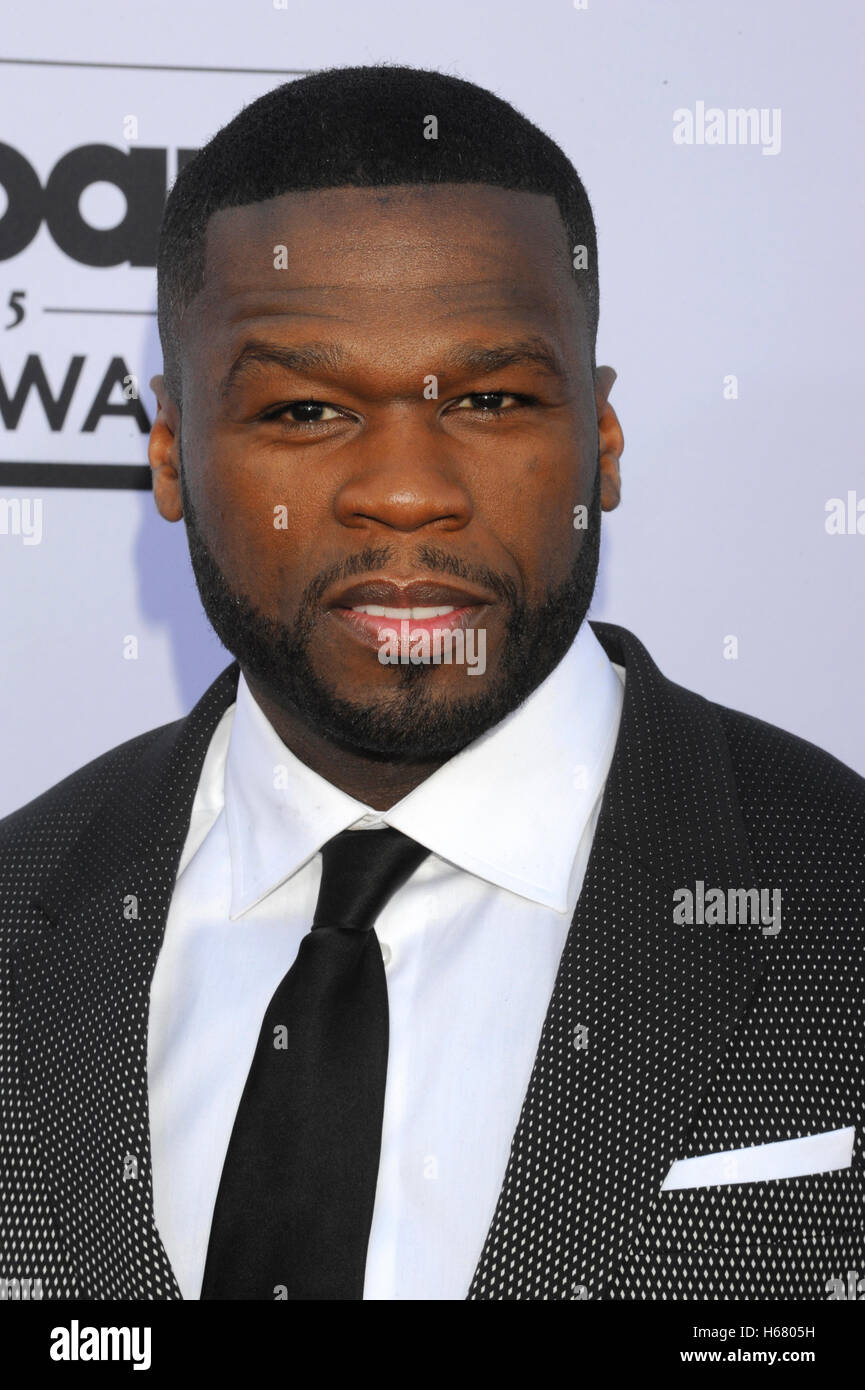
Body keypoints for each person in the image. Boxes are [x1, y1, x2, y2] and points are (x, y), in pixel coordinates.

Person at [1, 64, 863, 1303]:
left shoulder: (837, 884)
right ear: (172, 453)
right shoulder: (20, 907)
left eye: (491, 398)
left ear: (600, 444)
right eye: (303, 410)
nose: (406, 490)